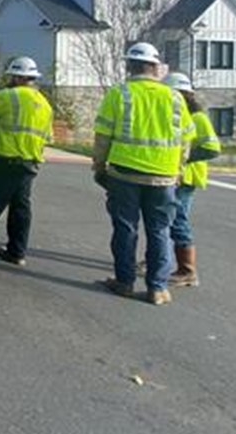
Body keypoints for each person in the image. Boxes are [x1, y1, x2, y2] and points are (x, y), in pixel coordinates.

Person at [91, 42, 190, 306]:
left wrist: (99, 167)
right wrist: (178, 171)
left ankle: (124, 282)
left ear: (129, 66)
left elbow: (103, 136)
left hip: (125, 173)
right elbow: (185, 142)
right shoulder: (175, 97)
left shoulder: (119, 93)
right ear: (155, 67)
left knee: (125, 229)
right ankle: (157, 289)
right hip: (163, 176)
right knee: (160, 230)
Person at [0, 57, 55, 266]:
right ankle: (17, 251)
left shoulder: (8, 96)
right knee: (20, 208)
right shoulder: (44, 103)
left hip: (5, 161)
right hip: (29, 163)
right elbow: (49, 136)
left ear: (17, 77)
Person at [164, 72, 223, 288]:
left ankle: (187, 270)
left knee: (178, 220)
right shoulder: (179, 116)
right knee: (165, 219)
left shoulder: (198, 118)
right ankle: (164, 259)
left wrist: (184, 158)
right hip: (174, 175)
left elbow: (211, 148)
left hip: (186, 178)